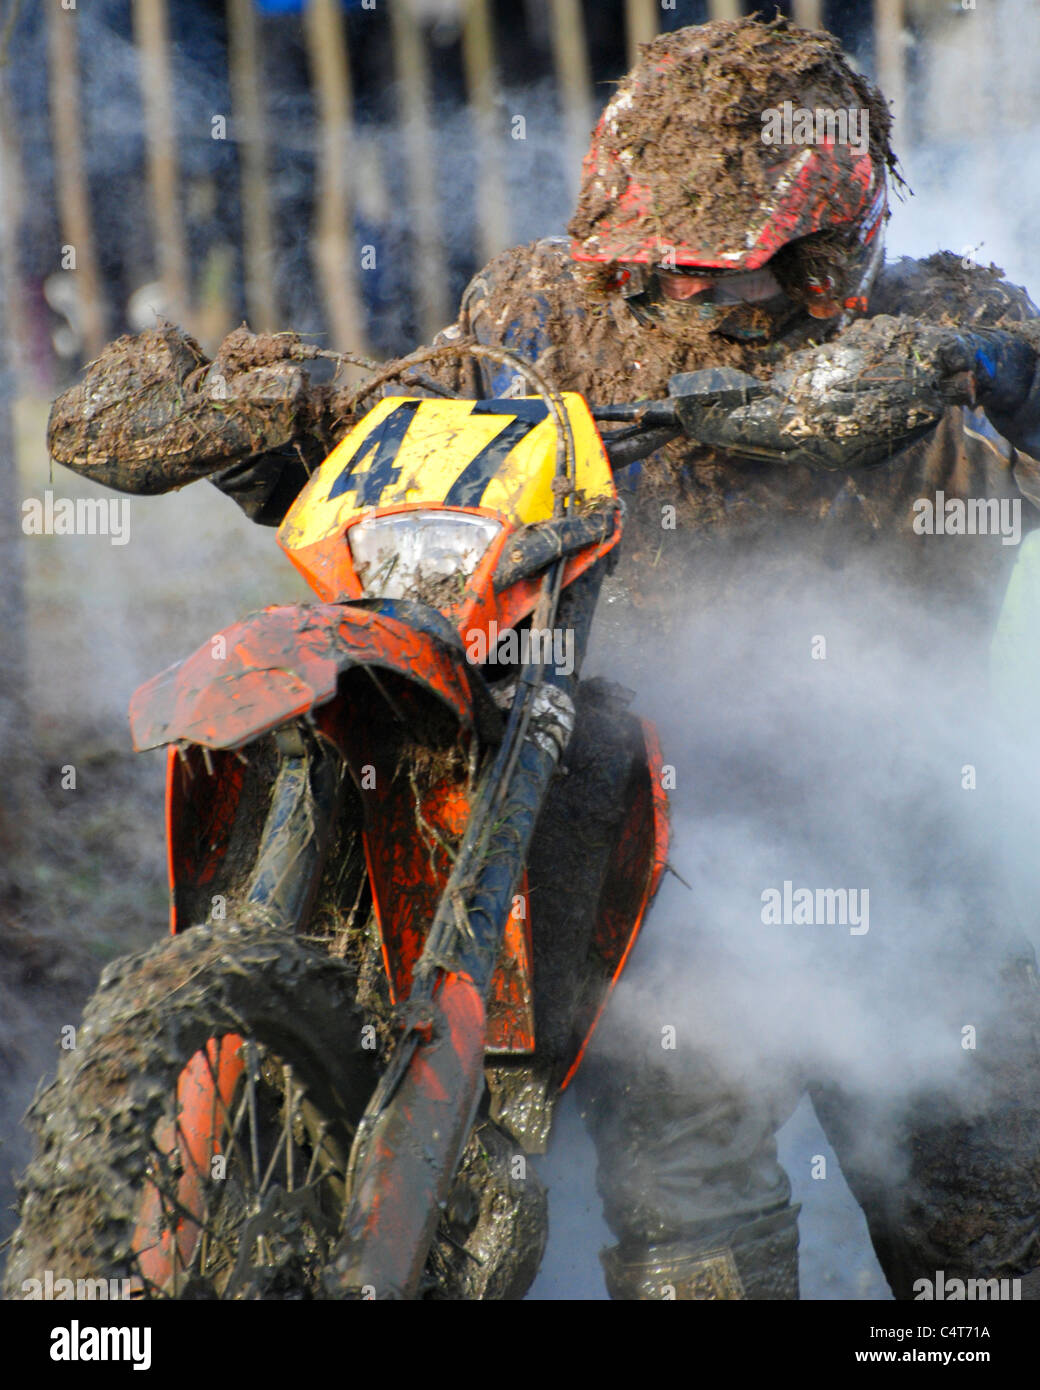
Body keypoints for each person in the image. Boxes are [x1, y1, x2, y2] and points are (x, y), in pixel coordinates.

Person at [47, 16, 1040, 1299]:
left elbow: (1023, 378)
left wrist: (955, 369)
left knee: (978, 1246)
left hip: (903, 842)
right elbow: (424, 440)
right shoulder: (544, 309)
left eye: (705, 272)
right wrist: (260, 430)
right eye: (641, 264)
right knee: (689, 1176)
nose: (664, 293)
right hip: (650, 843)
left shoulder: (931, 313)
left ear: (823, 259)